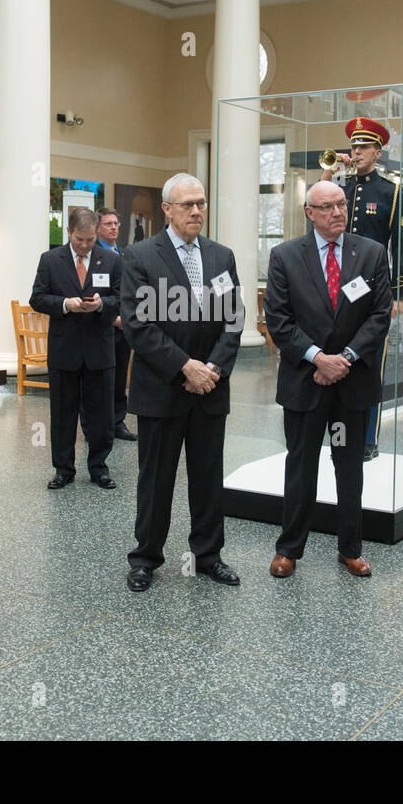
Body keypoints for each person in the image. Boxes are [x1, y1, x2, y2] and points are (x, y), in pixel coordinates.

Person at [120, 173, 243, 593]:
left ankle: (208, 555)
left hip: (210, 388)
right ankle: (146, 558)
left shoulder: (221, 256)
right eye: (187, 204)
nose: (196, 211)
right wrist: (184, 367)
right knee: (156, 479)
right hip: (163, 388)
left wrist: (211, 369)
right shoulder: (139, 256)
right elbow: (139, 325)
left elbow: (233, 321)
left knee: (208, 477)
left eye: (201, 203)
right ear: (167, 209)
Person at [263, 181, 391, 579]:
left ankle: (350, 548)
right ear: (309, 212)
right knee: (301, 465)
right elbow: (279, 320)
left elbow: (379, 315)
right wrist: (319, 358)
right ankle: (289, 549)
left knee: (348, 465)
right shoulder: (285, 257)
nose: (337, 212)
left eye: (341, 204)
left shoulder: (370, 254)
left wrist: (345, 358)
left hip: (351, 387)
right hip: (306, 384)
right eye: (327, 206)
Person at [321, 116, 403, 460]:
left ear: (378, 152)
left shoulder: (391, 191)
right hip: (336, 287)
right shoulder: (340, 188)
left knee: (370, 365)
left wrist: (400, 293)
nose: (356, 152)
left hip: (373, 290)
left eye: (363, 147)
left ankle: (368, 438)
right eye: (353, 147)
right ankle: (336, 432)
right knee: (334, 355)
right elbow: (316, 215)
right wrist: (331, 172)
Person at [30, 207, 121, 490]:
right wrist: (64, 304)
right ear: (69, 232)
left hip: (99, 350)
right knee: (62, 413)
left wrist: (102, 305)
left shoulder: (111, 260)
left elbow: (121, 298)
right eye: (79, 240)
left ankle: (99, 467)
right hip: (64, 349)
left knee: (101, 414)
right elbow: (37, 298)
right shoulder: (50, 260)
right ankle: (63, 469)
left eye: (90, 240)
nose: (84, 246)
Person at [94, 207, 136, 442]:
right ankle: (99, 426)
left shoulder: (124, 253)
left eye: (116, 224)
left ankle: (118, 422)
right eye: (108, 224)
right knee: (101, 381)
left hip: (124, 329)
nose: (113, 227)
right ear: (98, 227)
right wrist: (113, 319)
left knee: (120, 378)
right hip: (103, 327)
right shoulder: (93, 253)